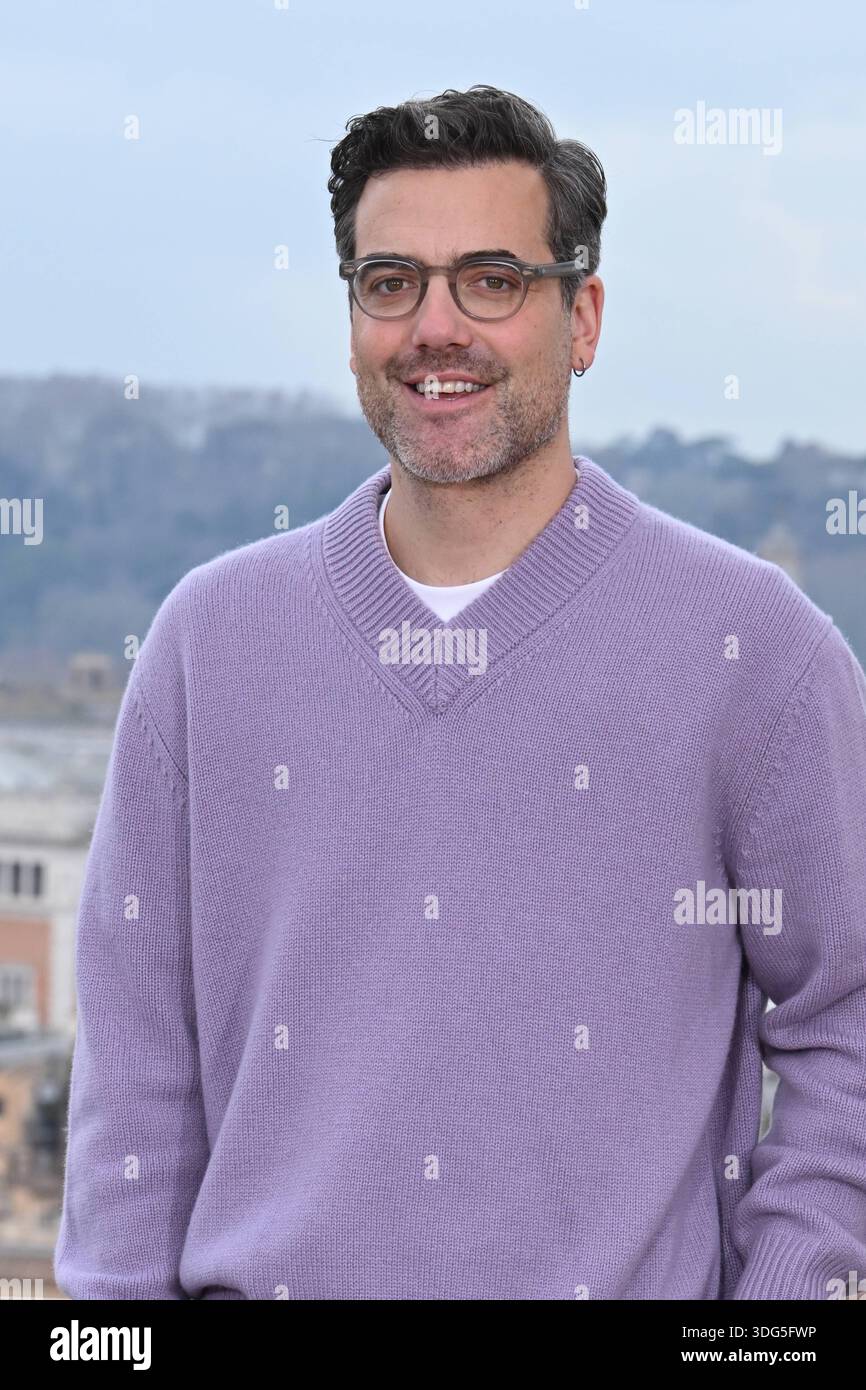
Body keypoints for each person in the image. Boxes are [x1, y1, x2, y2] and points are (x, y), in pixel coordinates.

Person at [55, 84, 866, 1300]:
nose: (437, 326)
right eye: (392, 283)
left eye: (492, 279)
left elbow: (845, 1016)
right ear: (350, 324)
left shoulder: (754, 650)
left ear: (580, 318)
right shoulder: (203, 646)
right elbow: (133, 1078)